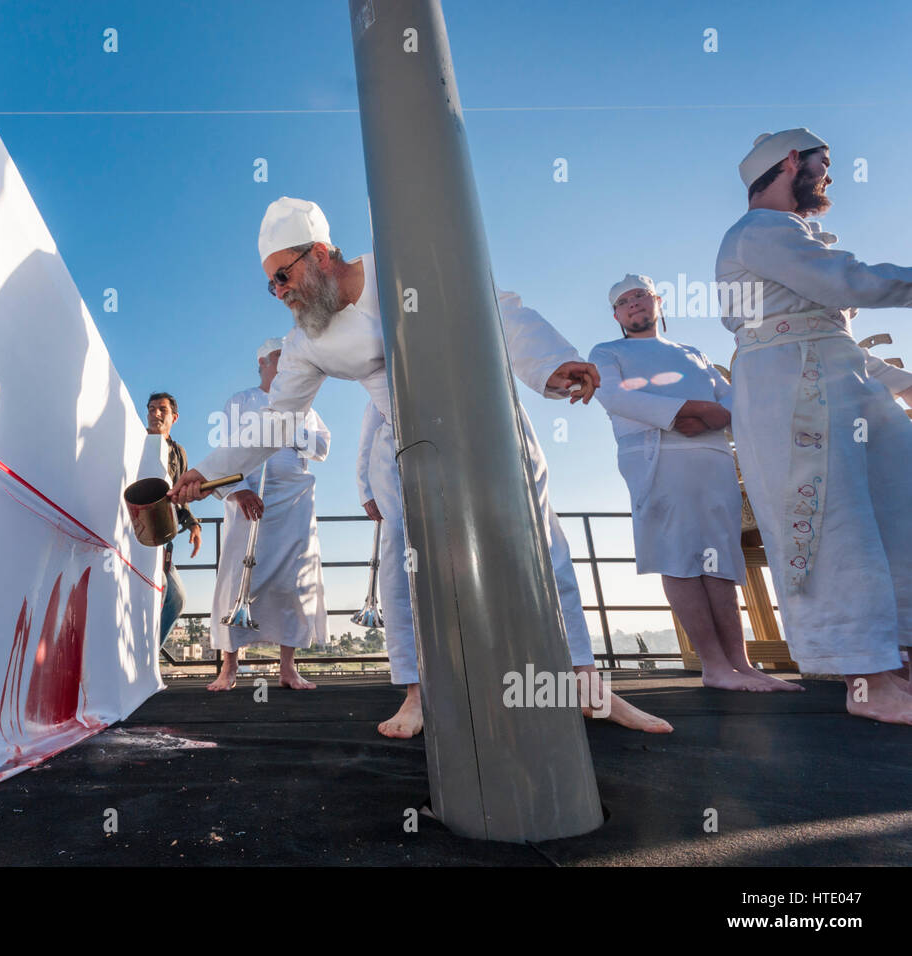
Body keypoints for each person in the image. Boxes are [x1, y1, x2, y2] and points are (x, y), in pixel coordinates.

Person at [172, 196, 671, 737]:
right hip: (405, 442)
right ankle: (418, 693)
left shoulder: (402, 264)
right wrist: (207, 471)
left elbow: (493, 305)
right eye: (271, 286)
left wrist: (552, 362)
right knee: (404, 566)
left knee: (541, 546)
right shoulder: (303, 344)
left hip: (486, 418)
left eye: (283, 276)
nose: (280, 293)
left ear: (319, 254)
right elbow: (274, 422)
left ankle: (586, 687)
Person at [716, 128, 912, 723]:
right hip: (793, 392)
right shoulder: (758, 231)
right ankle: (867, 681)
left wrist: (901, 383)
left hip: (838, 382)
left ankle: (896, 664)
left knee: (893, 515)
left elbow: (832, 334)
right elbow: (842, 282)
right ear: (793, 161)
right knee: (835, 522)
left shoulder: (790, 236)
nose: (829, 177)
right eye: (824, 164)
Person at [589, 274, 799, 692]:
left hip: (714, 461)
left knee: (720, 560)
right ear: (616, 314)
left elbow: (730, 403)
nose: (634, 304)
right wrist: (690, 409)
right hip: (656, 460)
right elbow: (614, 396)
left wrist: (706, 412)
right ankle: (713, 665)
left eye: (641, 296)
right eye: (624, 301)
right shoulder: (607, 352)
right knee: (680, 558)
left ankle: (740, 663)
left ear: (658, 302)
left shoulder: (693, 353)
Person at [207, 339, 331, 692]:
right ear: (262, 362)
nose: (286, 363)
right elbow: (227, 450)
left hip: (294, 502)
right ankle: (228, 668)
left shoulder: (303, 403)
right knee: (238, 578)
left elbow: (322, 447)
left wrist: (290, 426)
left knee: (291, 582)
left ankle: (288, 668)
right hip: (251, 501)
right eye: (280, 357)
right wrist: (239, 490)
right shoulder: (240, 401)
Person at [146, 392, 202, 648]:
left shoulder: (178, 453)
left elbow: (180, 496)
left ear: (174, 417)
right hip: (134, 533)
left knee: (176, 598)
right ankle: (140, 661)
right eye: (151, 409)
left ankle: (147, 657)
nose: (155, 413)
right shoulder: (136, 442)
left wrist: (192, 523)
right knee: (161, 590)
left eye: (162, 410)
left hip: (163, 537)